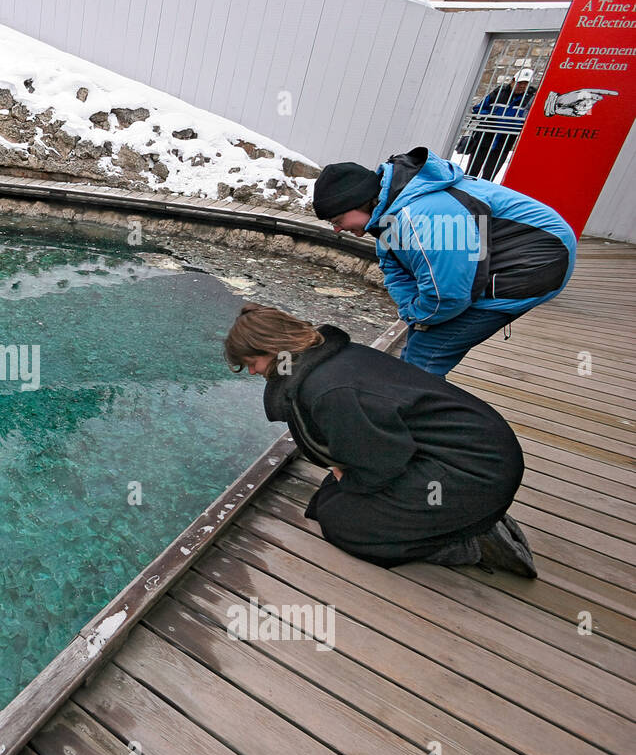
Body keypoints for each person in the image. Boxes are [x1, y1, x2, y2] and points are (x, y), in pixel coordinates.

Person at [224, 303, 535, 575]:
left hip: (476, 475)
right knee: (332, 494)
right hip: (481, 457)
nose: (252, 372)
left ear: (273, 349)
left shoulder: (328, 391)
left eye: (252, 363)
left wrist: (350, 478)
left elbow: (383, 465)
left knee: (341, 522)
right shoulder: (340, 356)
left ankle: (468, 543)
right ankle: (461, 518)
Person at [312, 145, 576, 376]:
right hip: (495, 258)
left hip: (533, 265)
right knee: (421, 335)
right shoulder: (389, 208)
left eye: (337, 221)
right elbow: (393, 265)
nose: (336, 230)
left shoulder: (423, 217)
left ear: (357, 203)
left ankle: (423, 420)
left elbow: (449, 295)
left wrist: (420, 315)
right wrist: (411, 311)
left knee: (423, 360)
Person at [461, 67, 536, 181]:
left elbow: (530, 119)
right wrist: (492, 116)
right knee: (471, 172)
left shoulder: (531, 98)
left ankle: (480, 197)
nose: (522, 86)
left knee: (489, 177)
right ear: (513, 81)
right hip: (484, 138)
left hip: (504, 142)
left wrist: (515, 124)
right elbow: (478, 109)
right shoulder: (499, 92)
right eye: (520, 83)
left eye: (526, 84)